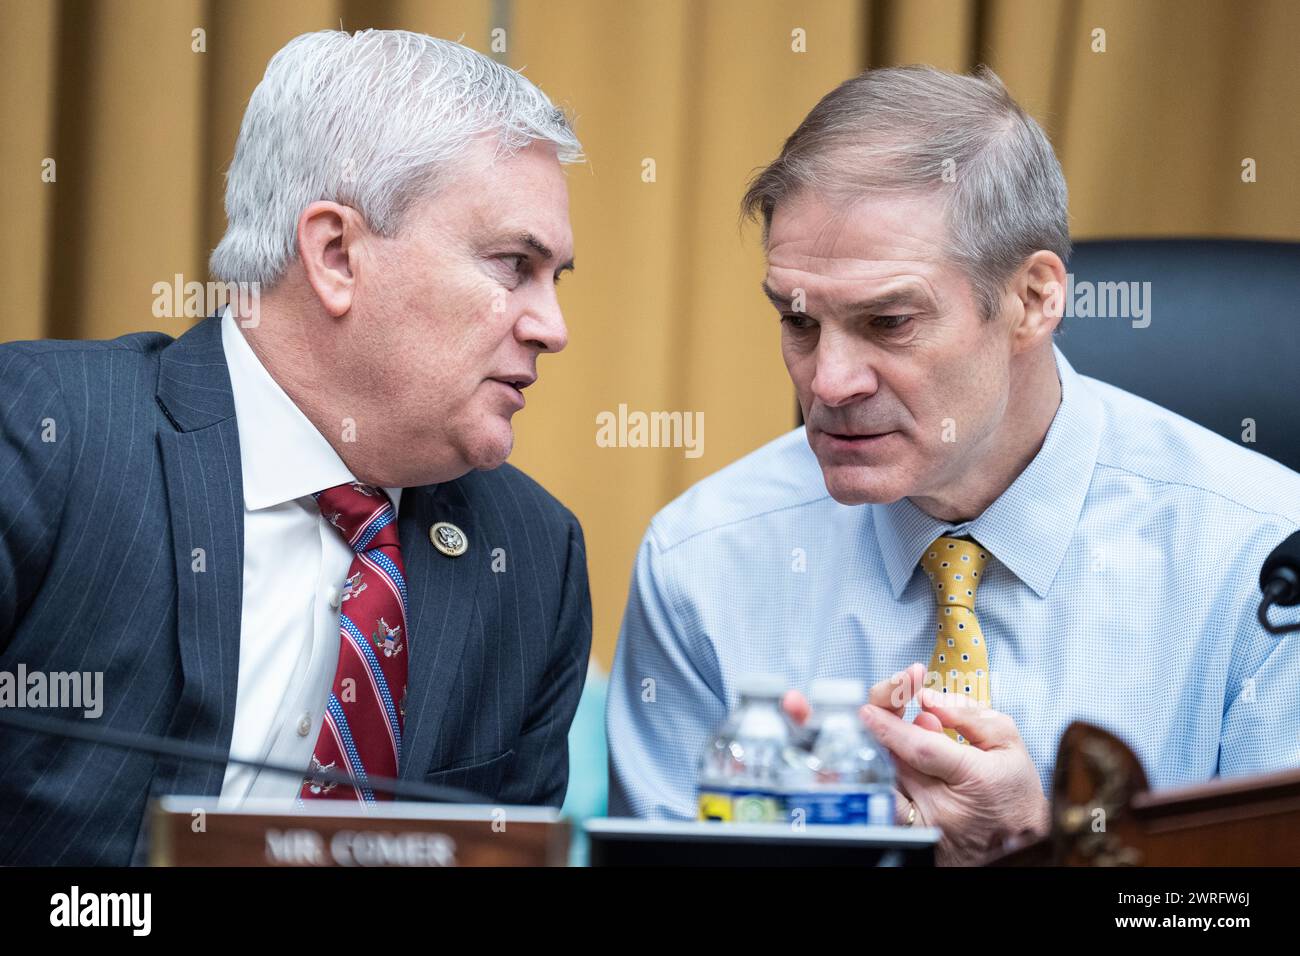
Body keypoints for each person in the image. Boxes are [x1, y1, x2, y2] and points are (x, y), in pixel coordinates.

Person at [606, 65, 1300, 865]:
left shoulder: (1265, 565)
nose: (827, 384)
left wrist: (1046, 850)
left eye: (888, 321)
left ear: (1034, 299)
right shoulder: (702, 562)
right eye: (798, 322)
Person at [0, 29, 591, 865]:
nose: (552, 328)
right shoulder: (44, 438)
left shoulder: (532, 556)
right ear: (336, 254)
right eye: (512, 265)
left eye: (555, 278)